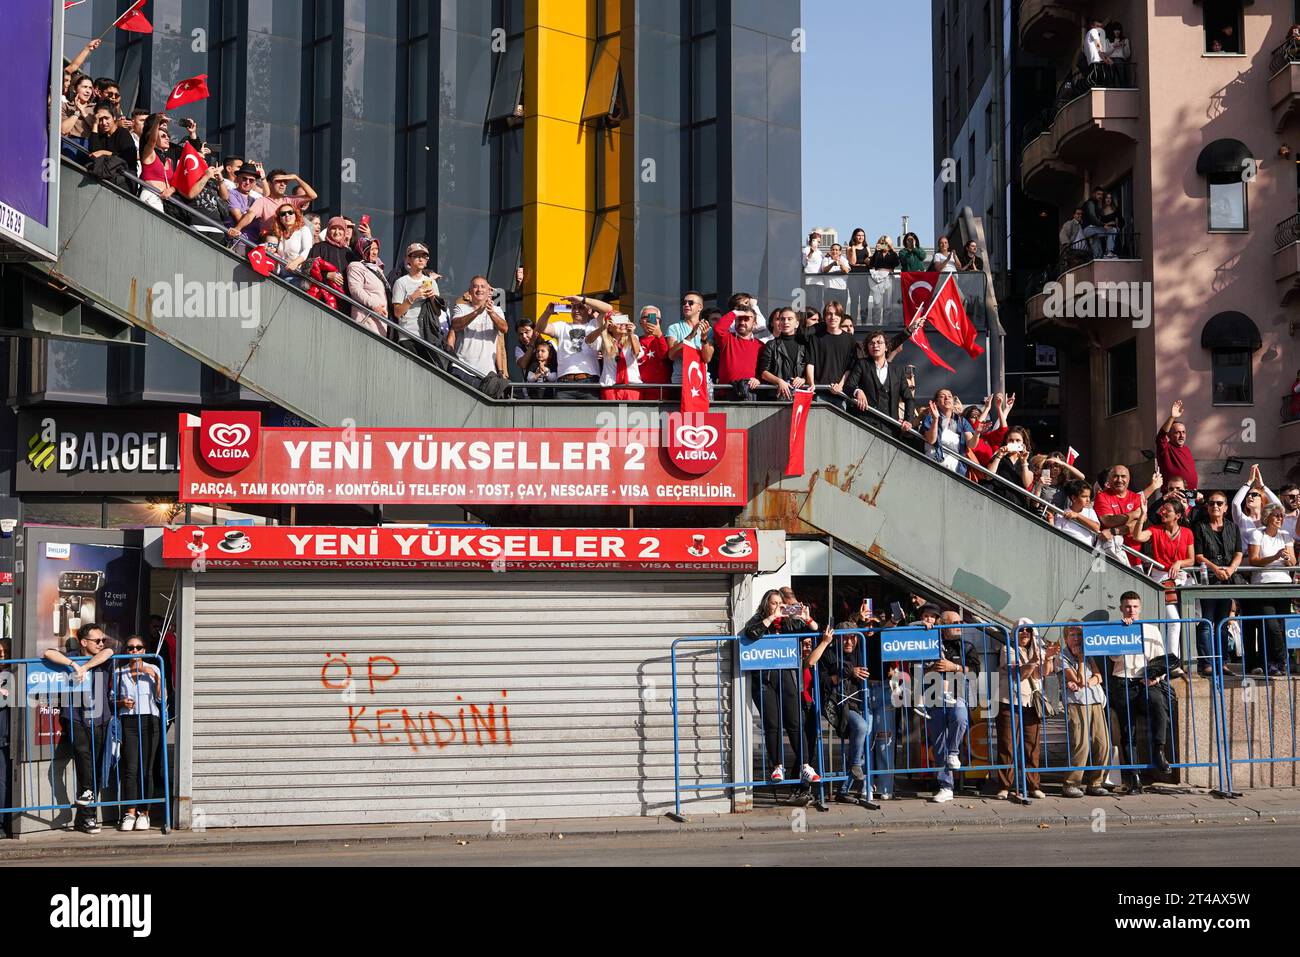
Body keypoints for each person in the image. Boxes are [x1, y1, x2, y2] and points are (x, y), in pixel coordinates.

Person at [743, 590, 826, 787]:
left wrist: (807, 618)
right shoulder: (759, 619)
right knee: (772, 724)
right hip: (765, 679)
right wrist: (772, 617)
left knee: (795, 722)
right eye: (773, 603)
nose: (778, 606)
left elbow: (816, 632)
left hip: (787, 676)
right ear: (766, 605)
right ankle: (777, 766)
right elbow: (751, 633)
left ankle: (806, 765)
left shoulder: (790, 622)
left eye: (780, 603)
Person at [43, 624, 115, 833]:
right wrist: (75, 665)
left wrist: (85, 668)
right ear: (84, 642)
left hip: (101, 718)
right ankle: (87, 816)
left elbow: (110, 652)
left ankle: (87, 817)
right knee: (84, 760)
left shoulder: (104, 656)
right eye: (97, 641)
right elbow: (47, 653)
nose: (102, 644)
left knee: (95, 766)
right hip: (75, 718)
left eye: (103, 640)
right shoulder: (74, 656)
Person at [1109, 591, 1178, 794]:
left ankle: (1158, 750)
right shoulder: (1115, 629)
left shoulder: (1151, 630)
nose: (1131, 610)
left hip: (1147, 682)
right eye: (1127, 606)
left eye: (1135, 606)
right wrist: (1124, 633)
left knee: (1159, 706)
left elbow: (1160, 661)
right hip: (1123, 681)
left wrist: (1156, 678)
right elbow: (1114, 658)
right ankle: (1134, 778)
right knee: (1126, 730)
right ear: (1121, 608)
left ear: (1140, 608)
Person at [994, 619, 1056, 800]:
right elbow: (1018, 674)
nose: (1025, 634)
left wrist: (1048, 658)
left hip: (1031, 702)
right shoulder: (1008, 649)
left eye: (1028, 631)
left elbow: (1044, 673)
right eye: (1021, 631)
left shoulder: (1037, 649)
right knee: (1007, 744)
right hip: (1009, 701)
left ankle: (1033, 785)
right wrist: (1034, 662)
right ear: (1014, 633)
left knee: (1032, 745)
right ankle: (1005, 786)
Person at [923, 610, 979, 803]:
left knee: (960, 717)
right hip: (934, 696)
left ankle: (954, 752)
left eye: (960, 622)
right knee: (938, 743)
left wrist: (953, 667)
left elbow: (975, 670)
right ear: (943, 625)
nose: (958, 625)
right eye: (953, 622)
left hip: (958, 694)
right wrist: (926, 627)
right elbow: (919, 668)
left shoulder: (967, 646)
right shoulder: (930, 641)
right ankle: (946, 787)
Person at [1134, 496, 1195, 656]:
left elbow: (1191, 560)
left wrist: (1179, 563)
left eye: (1167, 510)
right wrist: (1142, 516)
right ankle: (1172, 661)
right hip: (1161, 579)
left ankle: (1186, 658)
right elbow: (1138, 537)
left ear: (1178, 515)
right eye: (1162, 509)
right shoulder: (1155, 530)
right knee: (1174, 621)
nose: (1163, 512)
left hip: (1181, 579)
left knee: (1190, 621)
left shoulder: (1187, 532)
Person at [1058, 621, 1113, 798]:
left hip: (1095, 699)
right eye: (1073, 635)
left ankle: (1096, 782)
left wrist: (1086, 683)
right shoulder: (1062, 656)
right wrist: (1081, 661)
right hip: (1077, 702)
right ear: (1066, 638)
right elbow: (1078, 679)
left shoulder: (1089, 653)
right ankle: (1071, 783)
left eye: (1079, 635)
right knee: (1081, 743)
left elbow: (1098, 677)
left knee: (1102, 743)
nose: (1077, 639)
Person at [1192, 491, 1243, 677]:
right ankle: (1206, 663)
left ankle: (1222, 662)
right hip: (1208, 578)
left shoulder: (1233, 527)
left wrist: (1230, 569)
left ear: (1226, 507)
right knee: (1206, 622)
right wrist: (1215, 568)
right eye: (1212, 503)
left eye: (1220, 503)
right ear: (1207, 506)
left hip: (1228, 578)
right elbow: (1198, 555)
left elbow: (1238, 552)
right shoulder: (1200, 526)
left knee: (1222, 622)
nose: (1216, 506)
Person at [115, 636, 162, 832]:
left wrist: (154, 676)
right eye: (131, 648)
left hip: (150, 720)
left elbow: (161, 698)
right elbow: (111, 698)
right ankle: (130, 812)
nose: (134, 651)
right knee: (131, 769)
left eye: (138, 648)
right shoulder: (119, 671)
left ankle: (145, 813)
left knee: (147, 769)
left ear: (144, 650)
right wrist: (121, 703)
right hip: (129, 721)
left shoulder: (155, 667)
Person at [1243, 505, 1297, 676]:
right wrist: (1274, 557)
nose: (1280, 518)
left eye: (1281, 516)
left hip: (1284, 584)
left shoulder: (1286, 536)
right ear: (1267, 517)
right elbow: (1253, 560)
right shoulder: (1257, 533)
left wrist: (1288, 559)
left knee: (1280, 626)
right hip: (1263, 584)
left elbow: (1293, 563)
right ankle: (1282, 660)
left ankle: (1275, 664)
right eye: (1276, 515)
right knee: (1271, 625)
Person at [536, 296, 607, 399]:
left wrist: (583, 300)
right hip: (564, 383)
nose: (576, 311)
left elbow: (607, 309)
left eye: (581, 307)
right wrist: (547, 313)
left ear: (589, 310)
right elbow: (540, 328)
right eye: (573, 308)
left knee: (591, 415)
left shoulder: (594, 324)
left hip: (589, 381)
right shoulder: (562, 326)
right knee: (563, 415)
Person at [845, 330, 915, 432]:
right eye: (871, 343)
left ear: (886, 347)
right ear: (867, 347)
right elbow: (848, 386)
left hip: (890, 427)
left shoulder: (897, 370)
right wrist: (857, 391)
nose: (875, 345)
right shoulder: (862, 364)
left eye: (879, 342)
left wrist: (908, 420)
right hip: (865, 424)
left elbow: (909, 398)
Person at [1095, 464, 1162, 565]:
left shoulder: (1135, 498)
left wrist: (1114, 531)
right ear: (1109, 479)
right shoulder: (1102, 497)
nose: (1119, 480)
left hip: (1134, 557)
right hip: (1110, 557)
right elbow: (1108, 521)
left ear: (1129, 479)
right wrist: (1134, 514)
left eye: (1123, 476)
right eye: (1115, 476)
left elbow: (1136, 525)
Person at [449, 276, 510, 384]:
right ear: (470, 291)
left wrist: (491, 313)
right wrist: (477, 312)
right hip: (462, 368)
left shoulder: (497, 310)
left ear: (488, 291)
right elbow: (455, 325)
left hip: (487, 373)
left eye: (482, 287)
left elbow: (504, 329)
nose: (479, 290)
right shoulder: (461, 308)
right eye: (475, 287)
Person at [230, 169, 318, 241]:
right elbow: (249, 216)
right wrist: (237, 228)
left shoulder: (290, 200)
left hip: (289, 243)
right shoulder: (262, 201)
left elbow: (313, 195)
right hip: (271, 245)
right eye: (279, 181)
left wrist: (295, 178)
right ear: (269, 184)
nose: (282, 184)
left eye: (285, 182)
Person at [391, 243, 446, 346]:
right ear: (408, 259)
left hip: (428, 336)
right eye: (416, 256)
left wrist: (432, 297)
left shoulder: (431, 282)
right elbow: (397, 313)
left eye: (424, 257)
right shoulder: (401, 282)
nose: (421, 259)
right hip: (408, 336)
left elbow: (437, 313)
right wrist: (412, 297)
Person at [757, 307, 813, 400]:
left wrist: (803, 379)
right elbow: (764, 373)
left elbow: (810, 368)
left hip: (800, 397)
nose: (785, 322)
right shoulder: (771, 345)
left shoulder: (805, 345)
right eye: (782, 319)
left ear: (797, 324)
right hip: (776, 396)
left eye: (789, 319)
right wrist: (779, 381)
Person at [712, 304, 764, 400]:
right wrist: (734, 313)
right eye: (739, 319)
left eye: (746, 319)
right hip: (726, 394)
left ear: (755, 323)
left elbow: (764, 370)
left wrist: (758, 379)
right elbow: (718, 329)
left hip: (750, 394)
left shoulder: (760, 345)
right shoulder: (727, 339)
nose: (742, 322)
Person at [665, 291, 715, 390]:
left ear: (700, 307)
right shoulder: (674, 328)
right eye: (684, 303)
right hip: (680, 381)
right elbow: (672, 355)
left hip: (702, 380)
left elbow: (707, 358)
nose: (686, 305)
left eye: (691, 303)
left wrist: (704, 339)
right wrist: (691, 335)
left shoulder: (709, 330)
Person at [588, 311, 642, 401]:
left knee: (633, 414)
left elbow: (637, 354)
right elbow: (588, 340)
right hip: (610, 386)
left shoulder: (633, 337)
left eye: (624, 320)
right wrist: (602, 328)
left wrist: (631, 334)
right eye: (618, 321)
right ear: (610, 326)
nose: (623, 324)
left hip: (631, 386)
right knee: (610, 415)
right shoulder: (604, 340)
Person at [921, 388, 976, 475]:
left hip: (957, 470)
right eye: (942, 396)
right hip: (934, 465)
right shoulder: (930, 418)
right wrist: (935, 419)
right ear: (936, 402)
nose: (947, 398)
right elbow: (931, 440)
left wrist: (978, 433)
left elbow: (971, 445)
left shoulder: (961, 421)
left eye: (950, 396)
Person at [345, 238, 391, 336]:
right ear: (362, 250)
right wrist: (374, 305)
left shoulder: (377, 269)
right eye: (370, 249)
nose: (374, 252)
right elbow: (355, 290)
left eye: (376, 249)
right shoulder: (356, 266)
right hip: (366, 320)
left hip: (381, 322)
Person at [814, 305, 857, 409]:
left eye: (836, 314)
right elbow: (810, 363)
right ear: (824, 317)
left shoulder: (850, 340)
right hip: (820, 391)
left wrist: (841, 385)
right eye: (829, 314)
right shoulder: (816, 338)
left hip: (840, 394)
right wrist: (812, 385)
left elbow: (850, 367)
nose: (833, 317)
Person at [986, 425, 1036, 510]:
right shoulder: (999, 455)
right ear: (1006, 441)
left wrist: (1024, 462)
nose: (1014, 443)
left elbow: (1027, 483)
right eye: (1011, 440)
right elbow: (988, 476)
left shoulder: (1027, 460)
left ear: (1023, 443)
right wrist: (999, 456)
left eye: (1018, 440)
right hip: (998, 501)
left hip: (1019, 504)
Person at [1155, 400, 1198, 493]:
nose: (1182, 435)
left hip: (1190, 496)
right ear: (1169, 435)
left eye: (1183, 432)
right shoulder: (1165, 447)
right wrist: (1172, 417)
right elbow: (1160, 437)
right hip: (1173, 496)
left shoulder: (1187, 449)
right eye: (1177, 433)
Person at [1231, 464, 1282, 541]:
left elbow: (1278, 506)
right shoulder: (1242, 519)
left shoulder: (1271, 519)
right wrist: (1249, 482)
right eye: (1248, 494)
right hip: (1247, 553)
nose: (1249, 496)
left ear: (1262, 499)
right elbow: (1235, 503)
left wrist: (1262, 486)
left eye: (1254, 494)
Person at [137, 114, 175, 214]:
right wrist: (157, 121)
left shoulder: (168, 160)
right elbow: (151, 141)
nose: (167, 138)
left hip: (167, 202)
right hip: (151, 196)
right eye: (163, 136)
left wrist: (171, 189)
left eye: (168, 136)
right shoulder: (149, 153)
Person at [265, 203, 314, 275]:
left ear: (296, 215)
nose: (287, 215)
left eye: (290, 212)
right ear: (279, 218)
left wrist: (295, 262)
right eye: (283, 214)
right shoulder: (279, 234)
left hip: (297, 273)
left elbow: (307, 250)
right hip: (280, 272)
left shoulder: (303, 230)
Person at [1052, 479, 1103, 546]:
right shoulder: (1061, 514)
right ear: (1074, 498)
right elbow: (1057, 534)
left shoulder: (1090, 512)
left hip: (1085, 549)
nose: (1088, 500)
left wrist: (1077, 516)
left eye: (1089, 496)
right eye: (1084, 496)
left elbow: (1096, 528)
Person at [636, 305, 670, 400]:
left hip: (659, 391)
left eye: (653, 318)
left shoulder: (666, 339)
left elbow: (664, 355)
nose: (648, 320)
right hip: (638, 390)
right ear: (640, 322)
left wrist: (659, 335)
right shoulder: (634, 340)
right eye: (645, 317)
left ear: (659, 321)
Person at [1082, 187, 1114, 259]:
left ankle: (1098, 260)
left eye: (1102, 195)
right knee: (1112, 230)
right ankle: (1109, 252)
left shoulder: (1096, 205)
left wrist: (1107, 223)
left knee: (1098, 254)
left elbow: (1100, 217)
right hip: (1089, 229)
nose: (1100, 196)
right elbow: (1093, 218)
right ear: (1093, 194)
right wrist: (1103, 225)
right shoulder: (1090, 203)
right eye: (1098, 194)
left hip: (1092, 230)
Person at [1083, 17, 1112, 85]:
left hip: (1091, 63)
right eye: (1097, 26)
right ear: (1092, 26)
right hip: (1097, 62)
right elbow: (1098, 46)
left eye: (1101, 27)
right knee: (1104, 82)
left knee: (1097, 83)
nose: (1099, 28)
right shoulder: (1093, 31)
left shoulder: (1087, 35)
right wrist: (1105, 59)